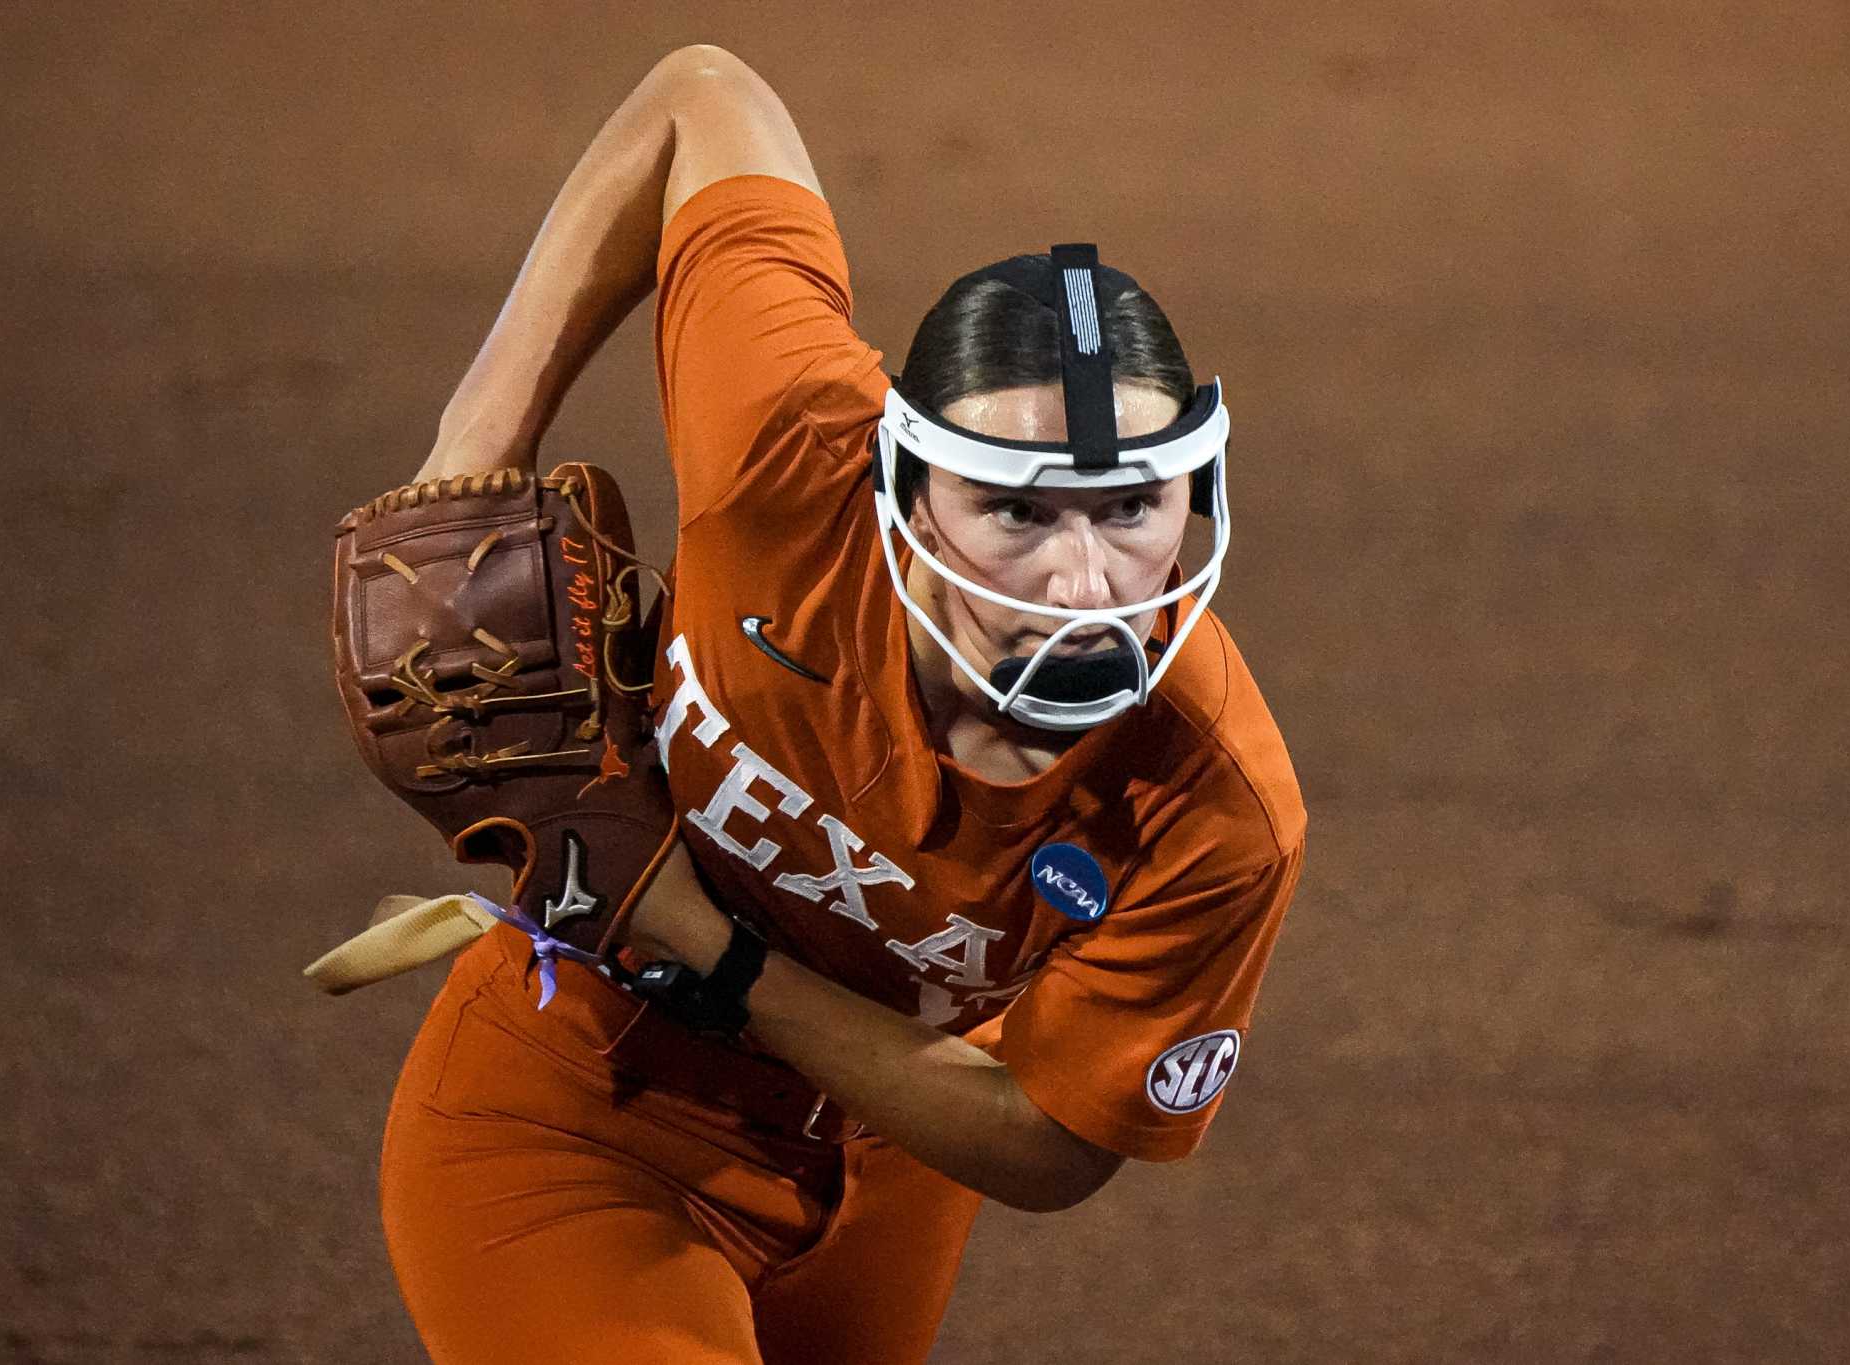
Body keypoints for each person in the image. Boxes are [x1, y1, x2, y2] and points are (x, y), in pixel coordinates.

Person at [379, 44, 1305, 1364]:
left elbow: (1047, 1144)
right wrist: (473, 444)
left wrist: (710, 943)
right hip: (575, 1102)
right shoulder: (790, 449)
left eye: (1133, 508)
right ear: (906, 496)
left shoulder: (1216, 804)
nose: (1084, 575)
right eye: (1017, 509)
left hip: (891, 1169)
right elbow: (701, 95)